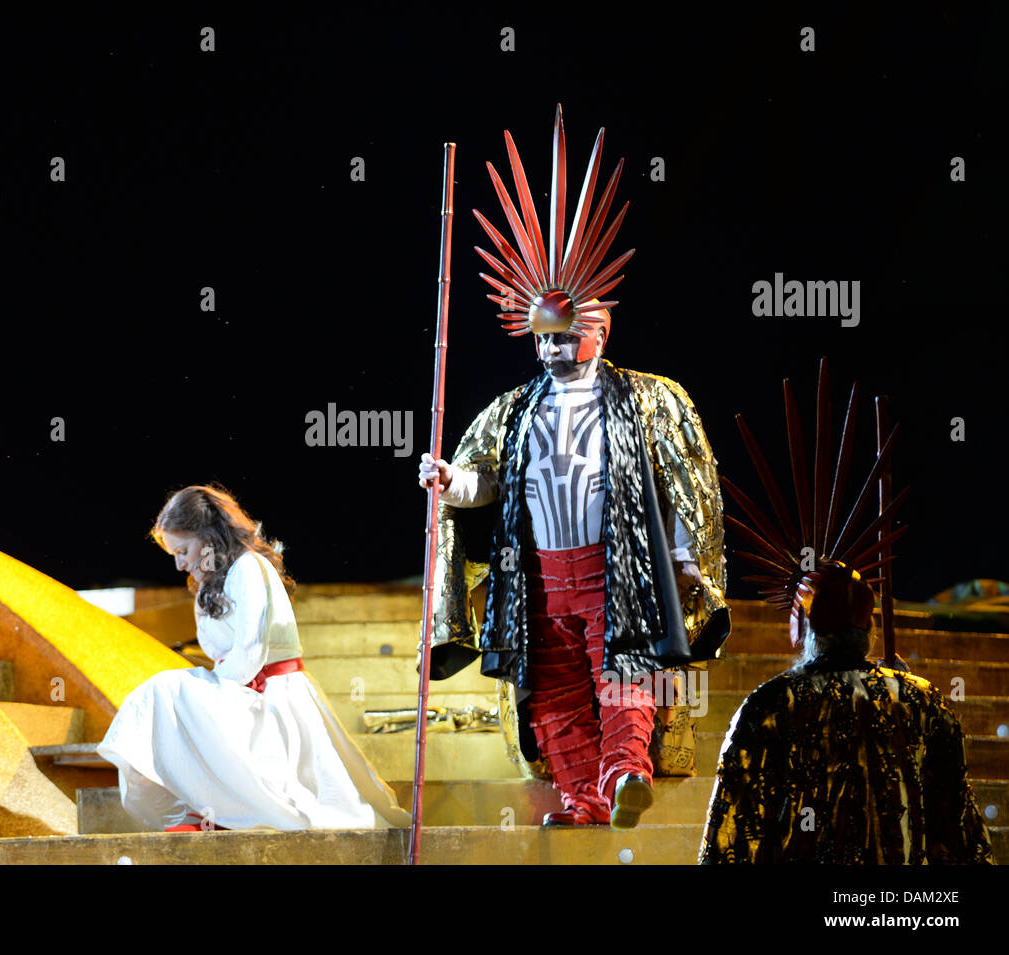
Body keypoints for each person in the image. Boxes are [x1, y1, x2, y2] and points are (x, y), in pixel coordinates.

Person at [420, 106, 729, 829]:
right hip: (537, 576)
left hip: (618, 572)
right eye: (547, 337)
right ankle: (582, 796)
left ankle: (625, 772)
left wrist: (685, 560)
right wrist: (450, 481)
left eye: (573, 334)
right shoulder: (513, 411)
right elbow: (486, 480)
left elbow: (684, 485)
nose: (558, 349)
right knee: (549, 688)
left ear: (602, 326)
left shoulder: (652, 400)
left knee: (624, 670)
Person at [97, 485, 411, 832]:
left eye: (182, 550)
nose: (179, 564)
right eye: (174, 554)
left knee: (165, 691)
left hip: (269, 694)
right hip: (237, 687)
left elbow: (248, 655)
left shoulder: (248, 568)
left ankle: (227, 813)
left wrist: (210, 696)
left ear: (208, 536)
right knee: (164, 694)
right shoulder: (206, 587)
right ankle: (212, 810)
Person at [699, 562, 994, 864]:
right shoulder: (919, 700)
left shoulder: (770, 703)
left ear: (807, 627)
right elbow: (956, 823)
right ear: (869, 629)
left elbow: (732, 825)